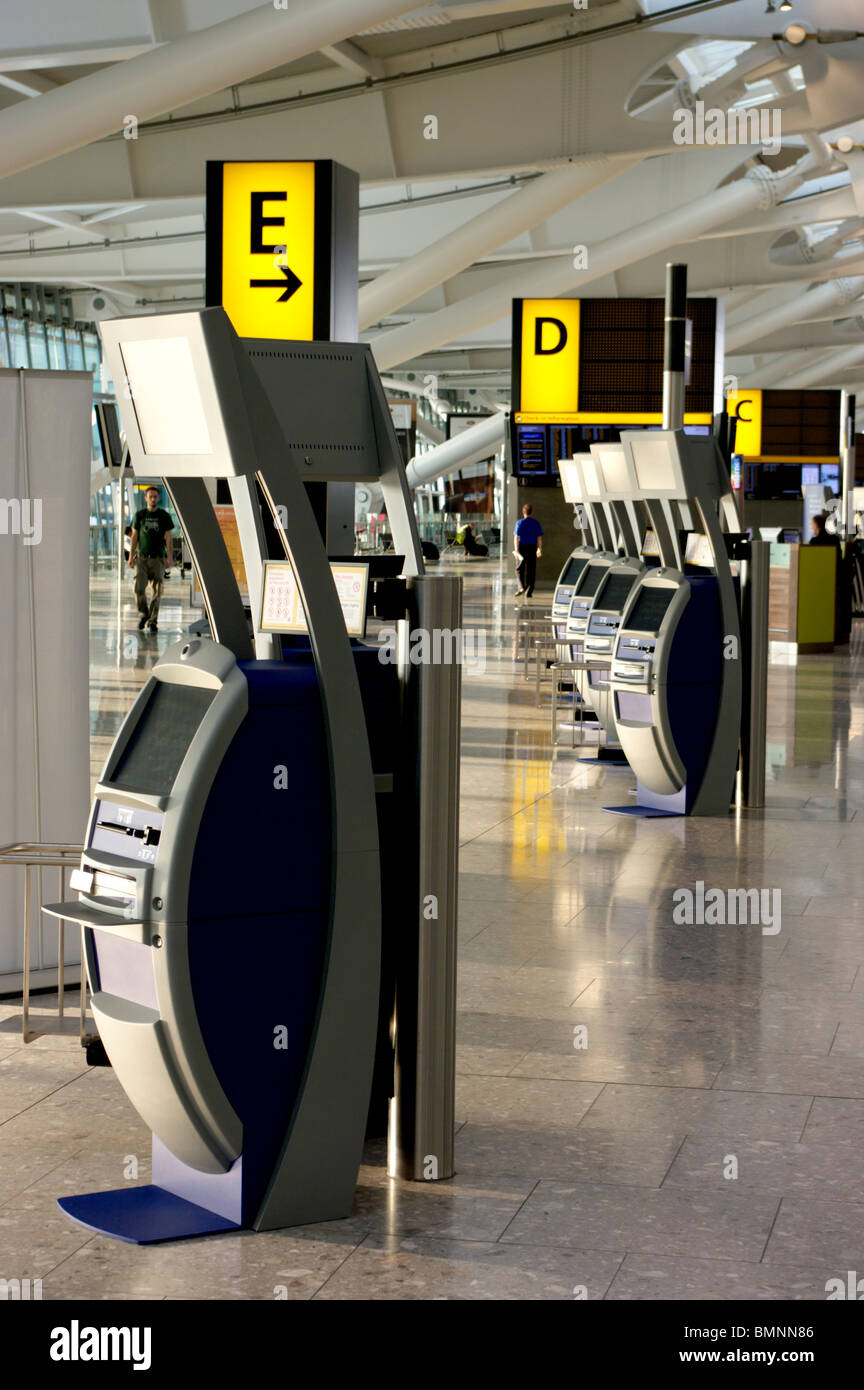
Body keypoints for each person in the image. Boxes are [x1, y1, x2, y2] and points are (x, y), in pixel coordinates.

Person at [128, 486, 173, 632]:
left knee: (157, 591)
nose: (153, 499)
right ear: (146, 498)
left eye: (155, 496)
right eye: (150, 496)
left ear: (158, 498)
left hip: (158, 559)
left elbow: (168, 537)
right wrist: (130, 556)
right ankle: (144, 614)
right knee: (138, 588)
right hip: (141, 559)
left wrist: (169, 557)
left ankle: (153, 620)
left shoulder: (164, 516)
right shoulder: (139, 515)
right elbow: (134, 536)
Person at [514, 503, 543, 597]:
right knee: (531, 569)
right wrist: (539, 549)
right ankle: (529, 591)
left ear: (523, 512)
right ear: (531, 512)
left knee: (519, 569)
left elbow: (516, 537)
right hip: (532, 548)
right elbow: (539, 538)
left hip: (521, 548)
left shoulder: (519, 523)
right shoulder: (536, 523)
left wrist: (516, 550)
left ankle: (521, 587)